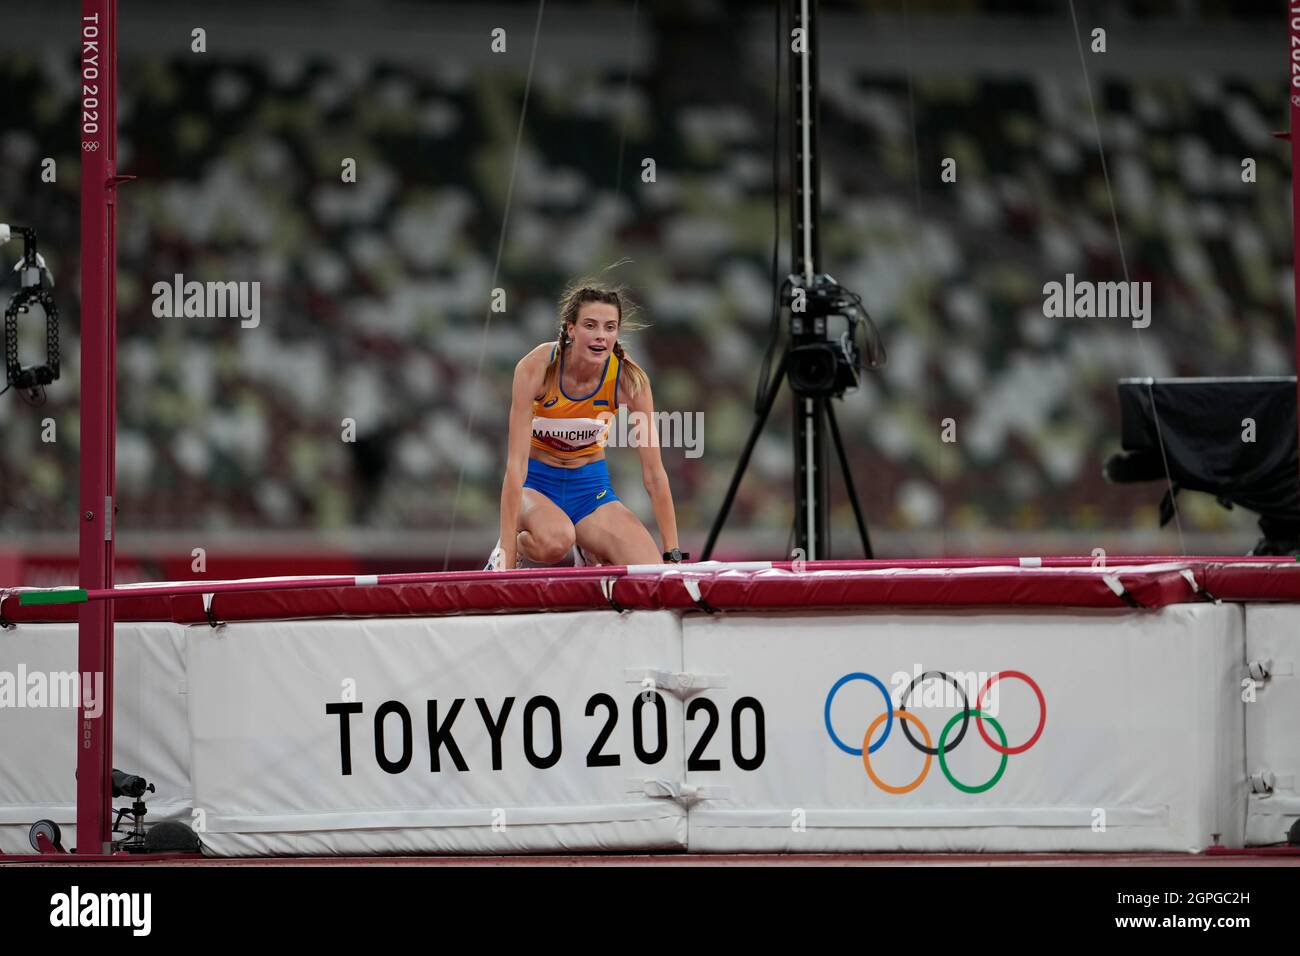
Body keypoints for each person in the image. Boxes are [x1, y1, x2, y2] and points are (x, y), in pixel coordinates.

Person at [488, 279, 686, 570]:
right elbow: (515, 467)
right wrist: (506, 550)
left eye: (610, 328)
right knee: (556, 541)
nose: (601, 337)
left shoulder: (630, 380)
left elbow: (654, 474)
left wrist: (673, 554)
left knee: (649, 570)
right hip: (537, 485)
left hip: (591, 489)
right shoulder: (535, 368)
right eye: (590, 325)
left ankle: (589, 547)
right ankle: (517, 545)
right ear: (571, 329)